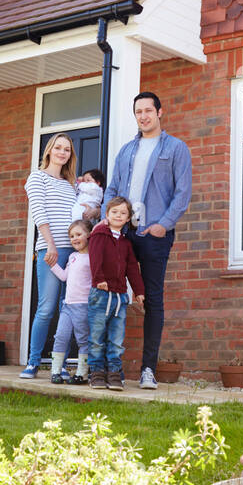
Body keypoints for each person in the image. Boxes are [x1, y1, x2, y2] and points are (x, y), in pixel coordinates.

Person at [103, 91, 192, 390]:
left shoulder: (177, 148)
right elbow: (113, 187)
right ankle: (107, 367)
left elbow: (183, 194)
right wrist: (108, 217)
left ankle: (148, 370)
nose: (143, 116)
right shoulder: (126, 151)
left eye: (148, 111)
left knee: (152, 299)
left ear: (160, 112)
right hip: (124, 234)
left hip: (154, 235)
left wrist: (163, 226)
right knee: (112, 294)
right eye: (138, 111)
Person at [21, 133, 80, 379]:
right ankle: (33, 362)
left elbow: (78, 218)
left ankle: (60, 365)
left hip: (74, 252)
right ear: (49, 150)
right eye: (58, 148)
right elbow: (39, 213)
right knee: (46, 308)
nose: (62, 152)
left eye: (67, 149)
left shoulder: (71, 185)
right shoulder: (37, 178)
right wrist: (51, 245)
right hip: (50, 250)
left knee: (67, 310)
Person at [86, 198, 145, 391]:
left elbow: (132, 268)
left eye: (123, 213)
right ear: (107, 214)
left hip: (120, 296)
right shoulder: (99, 235)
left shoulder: (126, 242)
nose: (118, 216)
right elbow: (95, 258)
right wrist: (99, 279)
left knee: (116, 339)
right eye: (114, 212)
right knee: (97, 336)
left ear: (128, 218)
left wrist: (139, 291)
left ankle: (114, 373)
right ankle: (96, 373)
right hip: (101, 293)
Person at [49, 219, 92, 385]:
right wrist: (52, 265)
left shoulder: (92, 258)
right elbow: (65, 277)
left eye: (78, 234)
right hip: (67, 305)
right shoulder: (72, 256)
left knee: (83, 340)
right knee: (61, 336)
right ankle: (55, 372)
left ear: (88, 235)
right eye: (71, 236)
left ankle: (82, 373)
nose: (74, 238)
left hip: (83, 305)